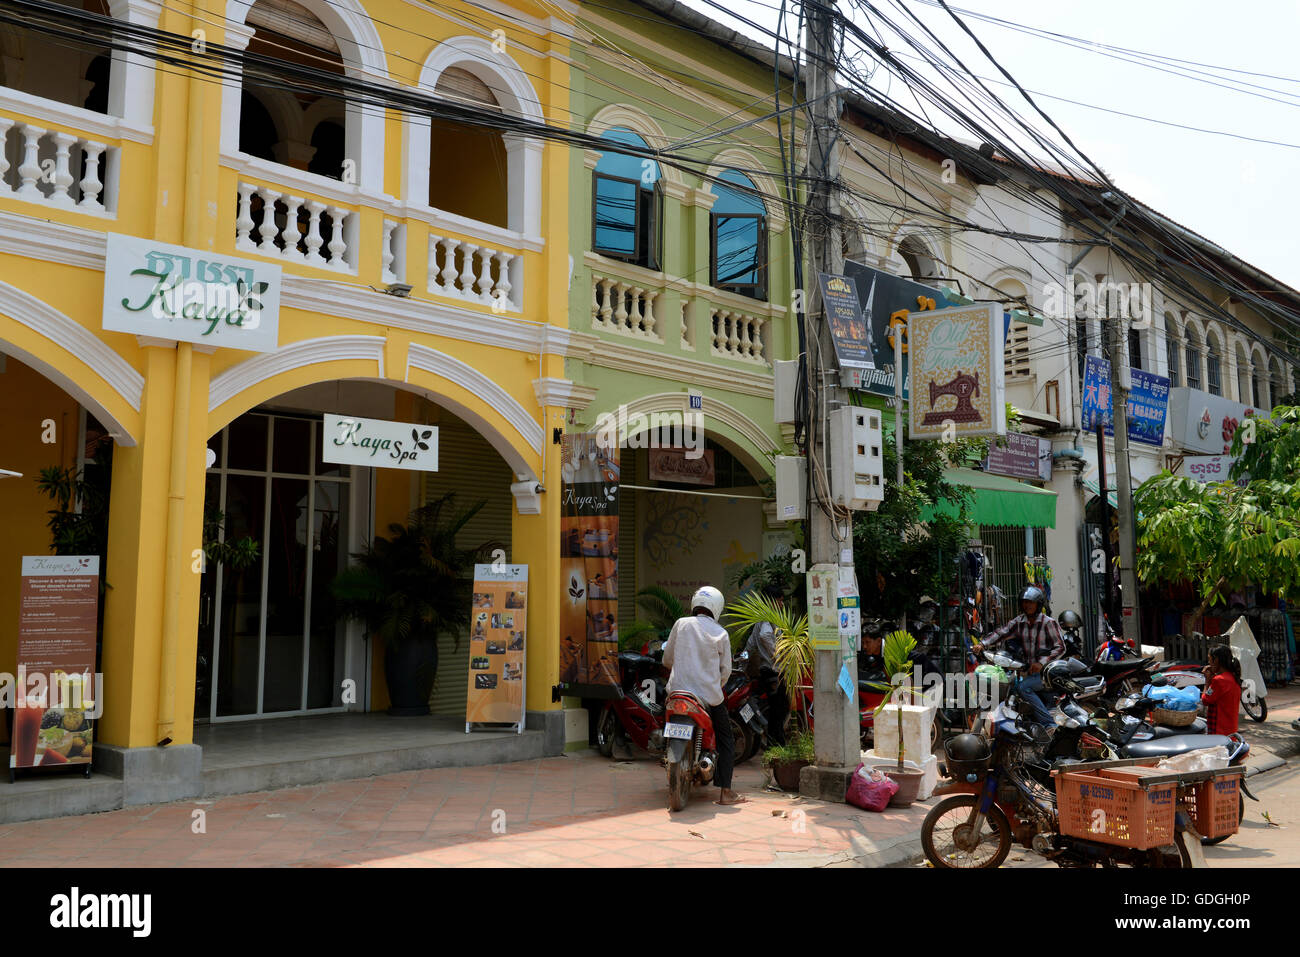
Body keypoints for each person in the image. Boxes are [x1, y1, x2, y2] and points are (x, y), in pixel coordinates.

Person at [663, 585, 745, 806]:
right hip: (707, 697)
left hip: (677, 692)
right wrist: (714, 685)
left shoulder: (681, 624)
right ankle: (726, 792)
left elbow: (667, 659)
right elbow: (725, 671)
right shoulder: (721, 633)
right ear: (717, 608)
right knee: (726, 740)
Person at [974, 585, 1065, 726]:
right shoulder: (1019, 622)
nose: (1027, 605)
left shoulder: (1048, 623)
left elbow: (1060, 647)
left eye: (1031, 602)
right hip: (1030, 672)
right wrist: (982, 644)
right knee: (1017, 689)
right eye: (1025, 602)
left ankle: (1049, 725)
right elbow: (1001, 633)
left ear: (1038, 604)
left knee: (1023, 688)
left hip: (1047, 673)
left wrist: (1041, 663)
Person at [743, 585, 790, 745]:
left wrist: (742, 664)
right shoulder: (766, 624)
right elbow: (764, 636)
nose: (782, 604)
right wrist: (779, 654)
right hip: (775, 672)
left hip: (767, 672)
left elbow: (750, 646)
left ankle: (773, 742)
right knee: (779, 711)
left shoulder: (761, 621)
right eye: (780, 601)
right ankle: (776, 744)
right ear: (771, 602)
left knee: (776, 710)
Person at [1202, 644, 1243, 737]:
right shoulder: (1233, 676)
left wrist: (1207, 682)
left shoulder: (1219, 680)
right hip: (1231, 730)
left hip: (1219, 731)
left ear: (1216, 660)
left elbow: (1205, 700)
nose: (1208, 662)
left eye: (1209, 659)